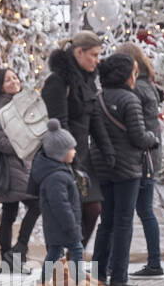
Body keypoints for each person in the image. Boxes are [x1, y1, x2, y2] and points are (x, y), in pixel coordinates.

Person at [41, 32, 113, 250]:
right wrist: (69, 156)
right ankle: (66, 267)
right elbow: (58, 123)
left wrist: (107, 149)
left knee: (92, 209)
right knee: (72, 214)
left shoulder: (88, 80)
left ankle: (73, 262)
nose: (97, 60)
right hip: (63, 158)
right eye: (94, 55)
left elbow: (94, 118)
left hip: (83, 156)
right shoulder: (58, 81)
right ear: (78, 52)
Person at [93, 53, 158, 286]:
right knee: (123, 222)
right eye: (133, 71)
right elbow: (138, 137)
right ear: (125, 73)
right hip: (127, 168)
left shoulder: (98, 99)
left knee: (106, 222)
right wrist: (153, 139)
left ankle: (98, 274)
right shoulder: (130, 100)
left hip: (102, 166)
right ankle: (119, 276)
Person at [116, 42, 164, 279]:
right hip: (150, 154)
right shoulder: (148, 85)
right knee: (145, 210)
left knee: (139, 210)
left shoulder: (137, 89)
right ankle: (154, 262)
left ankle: (152, 263)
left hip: (142, 156)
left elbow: (136, 126)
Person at [0, 66, 39, 273]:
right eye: (7, 80)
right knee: (36, 204)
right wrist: (24, 146)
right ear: (0, 86)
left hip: (21, 165)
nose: (13, 82)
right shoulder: (1, 107)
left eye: (15, 78)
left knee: (10, 212)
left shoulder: (20, 104)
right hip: (10, 167)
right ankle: (16, 254)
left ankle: (9, 260)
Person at [30, 119, 87, 286]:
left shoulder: (59, 172)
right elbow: (61, 205)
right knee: (77, 249)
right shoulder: (56, 177)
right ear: (60, 153)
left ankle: (42, 283)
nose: (75, 152)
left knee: (54, 253)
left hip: (56, 225)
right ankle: (79, 283)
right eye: (71, 149)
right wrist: (71, 226)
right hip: (63, 225)